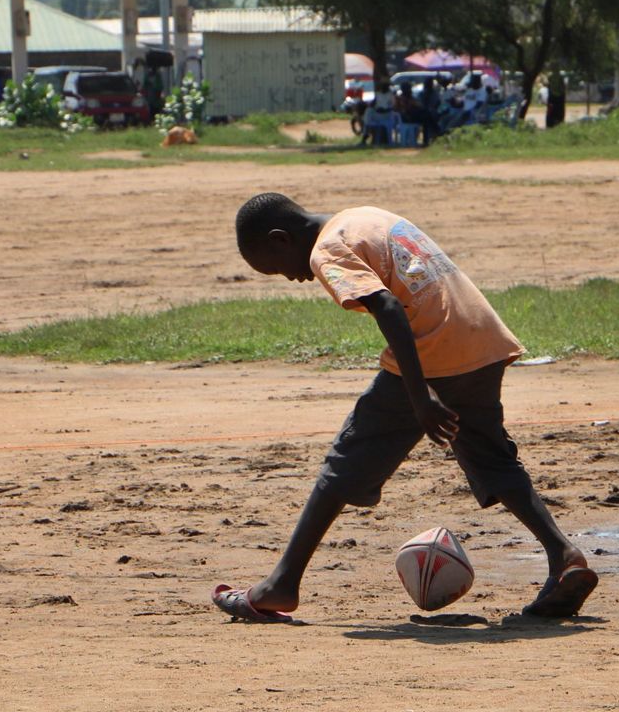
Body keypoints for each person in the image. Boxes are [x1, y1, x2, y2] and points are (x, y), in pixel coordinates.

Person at [213, 194, 598, 622]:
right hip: (481, 337)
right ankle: (565, 557)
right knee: (492, 459)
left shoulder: (327, 251)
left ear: (280, 239)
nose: (290, 277)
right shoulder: (362, 217)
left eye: (276, 268)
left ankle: (281, 585)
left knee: (345, 463)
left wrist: (420, 396)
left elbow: (389, 307)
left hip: (434, 348)